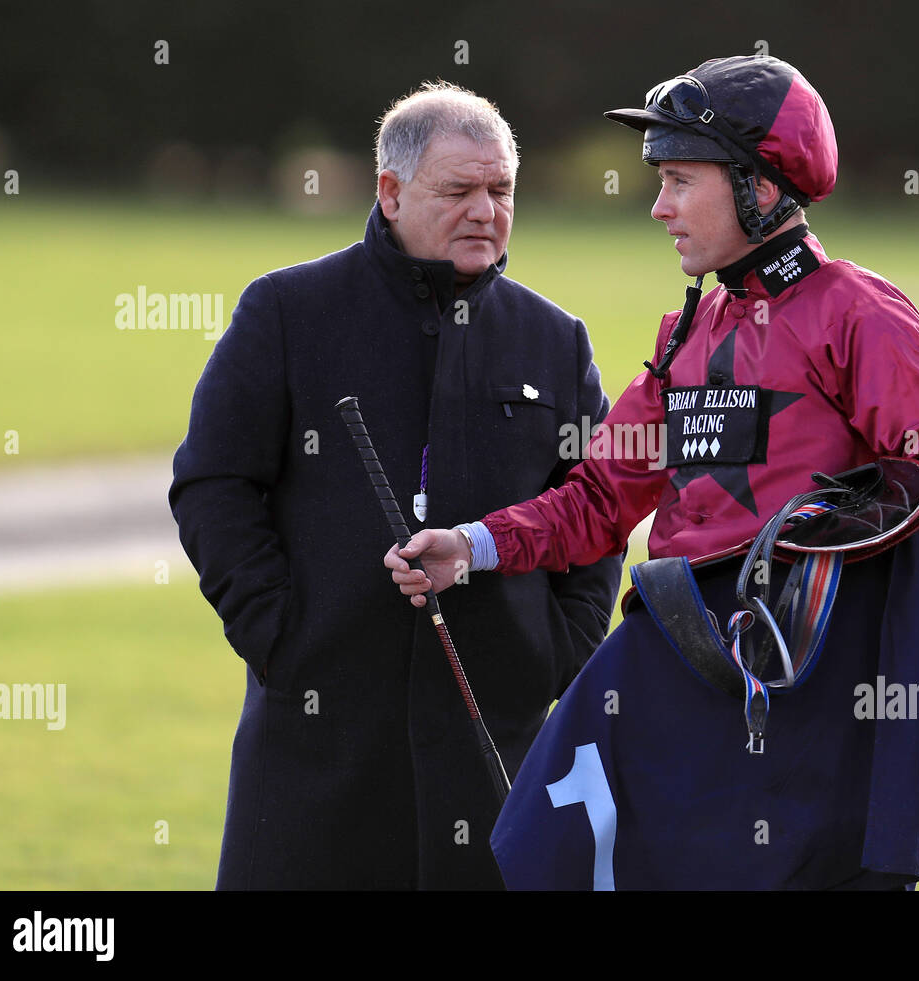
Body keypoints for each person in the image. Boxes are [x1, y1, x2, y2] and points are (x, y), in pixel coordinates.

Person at [388, 56, 919, 889]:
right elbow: (598, 500)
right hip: (684, 661)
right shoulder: (687, 334)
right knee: (544, 849)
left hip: (806, 692)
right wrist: (470, 546)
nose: (659, 206)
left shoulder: (857, 312)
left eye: (681, 180)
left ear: (760, 187)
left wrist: (808, 551)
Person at [169, 81, 623, 890]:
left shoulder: (555, 340)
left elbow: (598, 513)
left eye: (501, 189)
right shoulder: (286, 311)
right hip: (315, 747)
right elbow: (213, 482)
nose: (486, 210)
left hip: (494, 752)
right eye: (459, 190)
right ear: (390, 190)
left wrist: (557, 652)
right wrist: (278, 632)